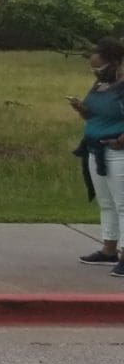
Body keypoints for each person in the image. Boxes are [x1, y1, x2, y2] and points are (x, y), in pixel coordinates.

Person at [70, 38, 124, 276]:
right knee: (106, 202)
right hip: (95, 149)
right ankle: (108, 249)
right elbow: (95, 115)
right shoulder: (100, 85)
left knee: (123, 203)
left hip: (117, 150)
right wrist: (83, 110)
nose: (97, 72)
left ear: (116, 62)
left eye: (100, 67)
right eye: (94, 68)